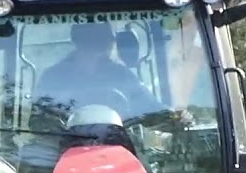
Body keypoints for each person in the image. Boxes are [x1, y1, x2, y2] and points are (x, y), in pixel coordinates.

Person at [32, 22, 191, 129]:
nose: (106, 47)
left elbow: (149, 107)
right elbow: (38, 121)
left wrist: (174, 117)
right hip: (64, 148)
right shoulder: (54, 77)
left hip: (118, 146)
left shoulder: (121, 75)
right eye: (94, 42)